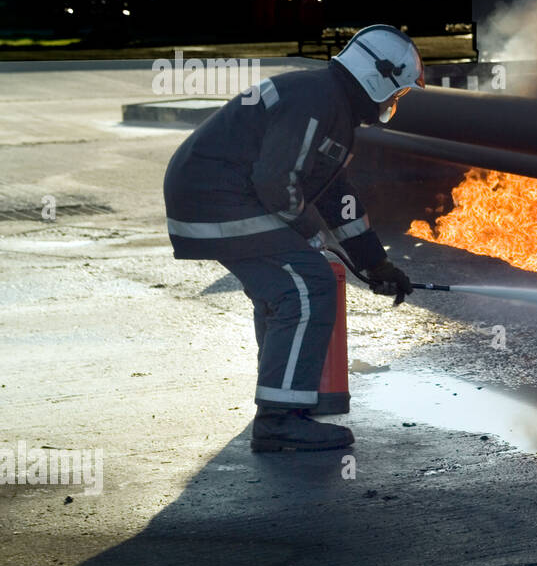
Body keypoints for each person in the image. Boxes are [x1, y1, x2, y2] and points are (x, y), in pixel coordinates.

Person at [163, 25, 420, 451]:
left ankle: (287, 399)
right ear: (379, 77)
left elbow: (335, 194)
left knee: (286, 288)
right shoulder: (319, 102)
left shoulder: (327, 99)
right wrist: (308, 234)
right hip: (217, 198)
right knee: (309, 285)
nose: (396, 101)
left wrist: (377, 263)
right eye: (398, 92)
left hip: (214, 194)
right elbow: (276, 180)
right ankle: (281, 420)